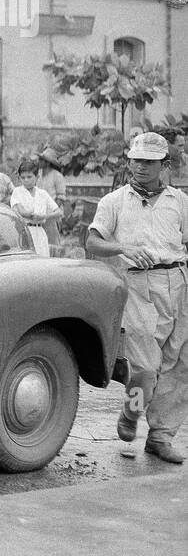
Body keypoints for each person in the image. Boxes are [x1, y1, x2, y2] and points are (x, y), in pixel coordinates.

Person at [86, 132, 188, 464]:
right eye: (136, 160)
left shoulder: (179, 201)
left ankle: (160, 437)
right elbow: (93, 244)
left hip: (178, 280)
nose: (140, 167)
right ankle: (131, 413)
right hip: (137, 286)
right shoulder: (114, 201)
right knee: (145, 368)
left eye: (148, 162)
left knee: (178, 364)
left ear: (164, 165)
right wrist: (122, 248)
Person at [10, 159, 61, 256]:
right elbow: (22, 211)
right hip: (25, 231)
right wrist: (33, 215)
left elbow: (58, 212)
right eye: (23, 177)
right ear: (19, 178)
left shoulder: (42, 193)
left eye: (29, 177)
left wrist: (44, 216)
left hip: (40, 231)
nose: (26, 180)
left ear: (37, 177)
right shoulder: (17, 191)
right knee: (26, 259)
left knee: (42, 258)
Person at [35, 147, 67, 246]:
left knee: (53, 243)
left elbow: (60, 197)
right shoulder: (38, 176)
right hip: (39, 213)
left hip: (52, 215)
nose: (38, 161)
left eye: (41, 160)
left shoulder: (57, 176)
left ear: (48, 163)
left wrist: (51, 211)